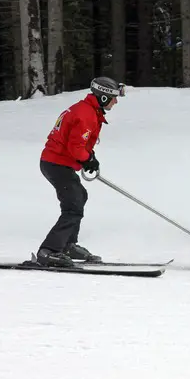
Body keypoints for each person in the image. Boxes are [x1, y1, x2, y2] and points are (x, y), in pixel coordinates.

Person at [35, 77, 125, 267]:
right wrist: (87, 159)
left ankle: (67, 245)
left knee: (79, 197)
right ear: (102, 98)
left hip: (58, 162)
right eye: (113, 98)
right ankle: (49, 250)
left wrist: (89, 157)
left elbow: (77, 143)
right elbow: (75, 147)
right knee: (73, 204)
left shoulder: (87, 110)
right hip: (55, 163)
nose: (115, 102)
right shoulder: (86, 114)